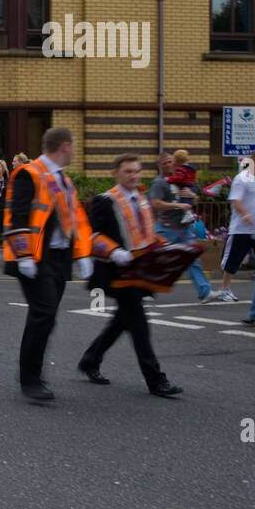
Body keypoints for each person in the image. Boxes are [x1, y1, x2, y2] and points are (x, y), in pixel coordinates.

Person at [77, 153, 184, 397]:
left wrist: (162, 244)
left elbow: (146, 233)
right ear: (115, 173)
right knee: (139, 324)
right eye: (128, 171)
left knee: (122, 321)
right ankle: (156, 379)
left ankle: (91, 359)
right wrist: (114, 252)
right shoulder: (106, 201)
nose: (134, 175)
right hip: (119, 272)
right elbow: (90, 235)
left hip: (140, 271)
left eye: (137, 171)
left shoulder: (142, 199)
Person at [3, 127, 95, 402]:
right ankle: (30, 380)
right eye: (73, 146)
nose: (75, 150)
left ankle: (31, 373)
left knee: (47, 316)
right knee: (42, 314)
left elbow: (75, 220)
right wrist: (24, 255)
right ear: (65, 146)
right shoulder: (29, 173)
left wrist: (83, 254)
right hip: (35, 258)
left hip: (57, 257)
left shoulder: (62, 180)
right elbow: (16, 215)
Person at [148, 152, 217, 302]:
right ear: (158, 166)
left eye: (170, 161)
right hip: (166, 228)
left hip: (184, 228)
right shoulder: (159, 183)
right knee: (158, 259)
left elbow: (195, 202)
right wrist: (177, 205)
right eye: (164, 163)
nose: (168, 165)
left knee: (192, 258)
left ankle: (205, 291)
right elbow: (156, 203)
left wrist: (193, 196)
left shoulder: (182, 179)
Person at [220, 150, 255, 302]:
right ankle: (225, 290)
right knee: (233, 262)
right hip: (241, 228)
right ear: (253, 161)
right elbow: (236, 200)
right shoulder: (242, 178)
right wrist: (245, 214)